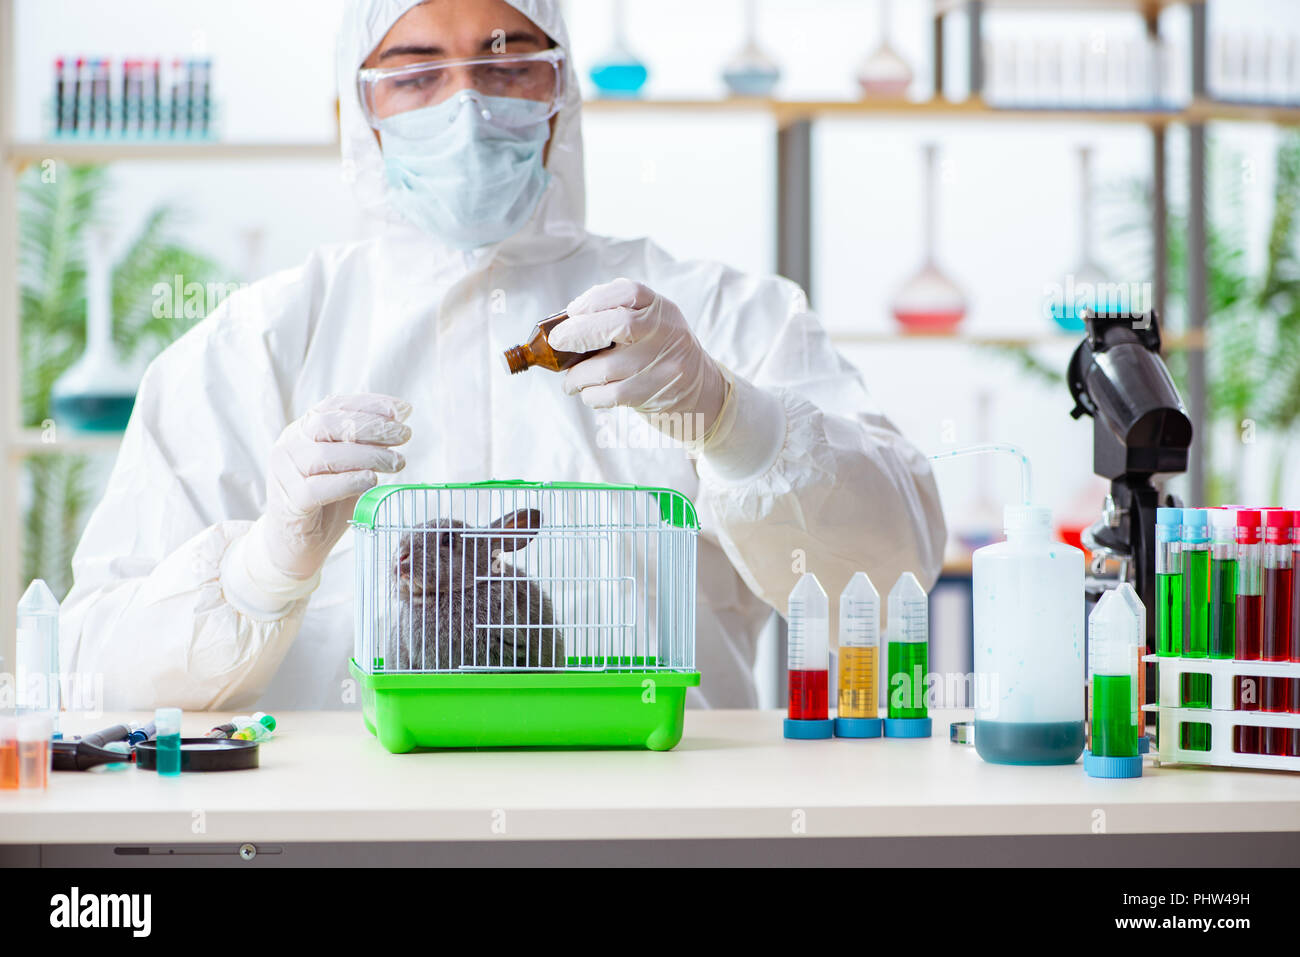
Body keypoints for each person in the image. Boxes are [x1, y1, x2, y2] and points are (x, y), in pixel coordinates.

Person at [60, 0, 946, 710]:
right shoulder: (252, 346)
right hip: (348, 844)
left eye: (507, 59)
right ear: (356, 103)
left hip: (654, 831)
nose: (467, 104)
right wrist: (259, 570)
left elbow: (895, 569)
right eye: (414, 72)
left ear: (561, 88)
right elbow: (96, 669)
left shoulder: (719, 316)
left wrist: (732, 419)